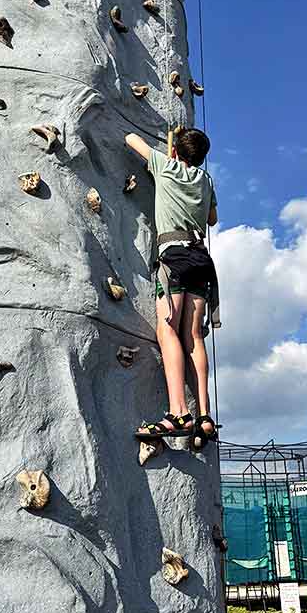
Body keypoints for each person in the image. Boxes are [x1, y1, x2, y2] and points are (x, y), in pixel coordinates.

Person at [124, 127, 220, 445]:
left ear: (176, 151)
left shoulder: (165, 166)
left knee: (167, 329)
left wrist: (168, 156)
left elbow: (130, 139)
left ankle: (179, 413)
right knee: (193, 336)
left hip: (174, 257)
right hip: (201, 259)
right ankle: (204, 415)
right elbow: (212, 219)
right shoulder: (206, 180)